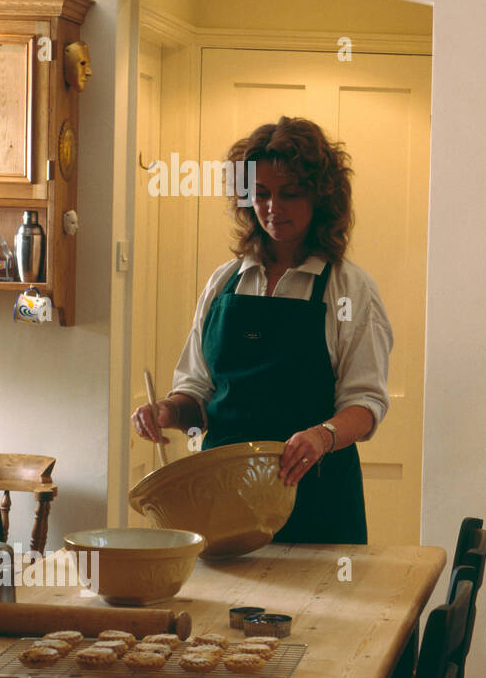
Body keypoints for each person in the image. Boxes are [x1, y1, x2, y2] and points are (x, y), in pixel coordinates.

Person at [132, 117, 392, 544]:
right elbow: (198, 393)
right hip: (222, 501)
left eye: (290, 193)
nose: (274, 207)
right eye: (262, 194)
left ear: (321, 197)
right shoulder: (225, 281)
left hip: (316, 499)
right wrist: (166, 412)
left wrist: (322, 436)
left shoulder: (349, 287)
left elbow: (365, 406)